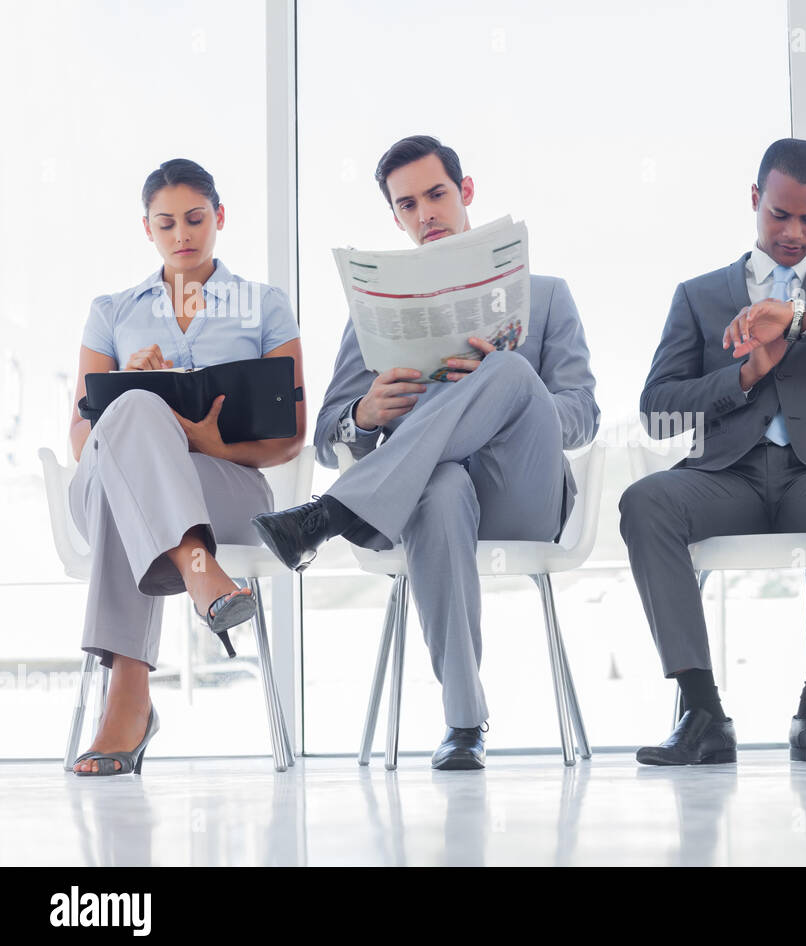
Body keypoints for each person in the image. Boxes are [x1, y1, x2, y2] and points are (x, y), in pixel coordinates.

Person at [252, 135, 599, 771]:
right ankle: (464, 723)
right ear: (395, 217)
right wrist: (365, 414)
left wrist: (509, 385)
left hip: (523, 491)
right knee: (437, 487)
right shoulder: (376, 315)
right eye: (407, 205)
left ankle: (330, 516)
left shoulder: (546, 296)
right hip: (427, 503)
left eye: (436, 195)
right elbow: (329, 434)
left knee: (509, 373)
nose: (425, 215)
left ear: (465, 193)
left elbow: (583, 418)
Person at [620, 138, 806, 766]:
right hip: (724, 481)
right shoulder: (698, 296)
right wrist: (744, 377)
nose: (793, 231)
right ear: (755, 200)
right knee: (645, 500)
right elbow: (657, 410)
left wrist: (800, 318)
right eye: (779, 214)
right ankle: (701, 712)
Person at [68, 158, 306, 775]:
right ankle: (201, 575)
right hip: (108, 484)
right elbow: (78, 440)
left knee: (134, 491)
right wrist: (131, 401)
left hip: (227, 487)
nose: (183, 235)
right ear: (146, 229)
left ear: (219, 217)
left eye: (196, 219)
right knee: (135, 413)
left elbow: (290, 438)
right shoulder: (112, 311)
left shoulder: (265, 306)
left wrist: (209, 443)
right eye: (166, 223)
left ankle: (129, 703)